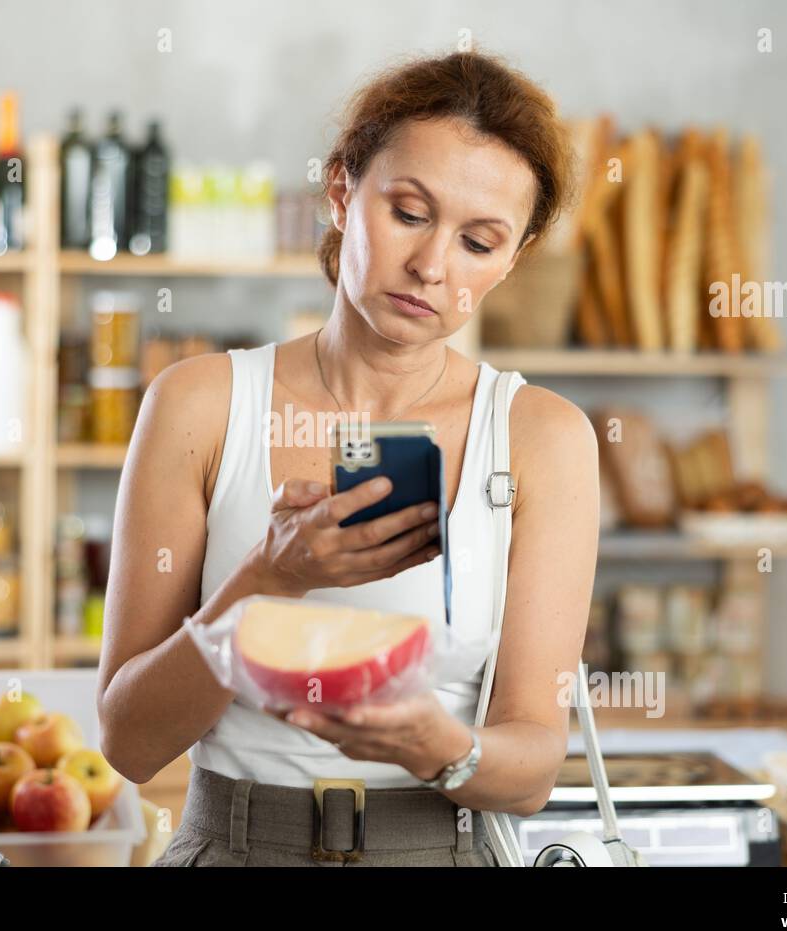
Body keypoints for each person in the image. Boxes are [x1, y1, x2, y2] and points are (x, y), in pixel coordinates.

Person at [98, 48, 599, 866]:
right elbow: (129, 739)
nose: (433, 266)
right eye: (408, 213)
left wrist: (440, 746)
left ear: (514, 257)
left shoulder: (544, 437)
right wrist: (270, 579)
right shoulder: (199, 405)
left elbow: (533, 766)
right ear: (341, 190)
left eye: (479, 241)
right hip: (234, 846)